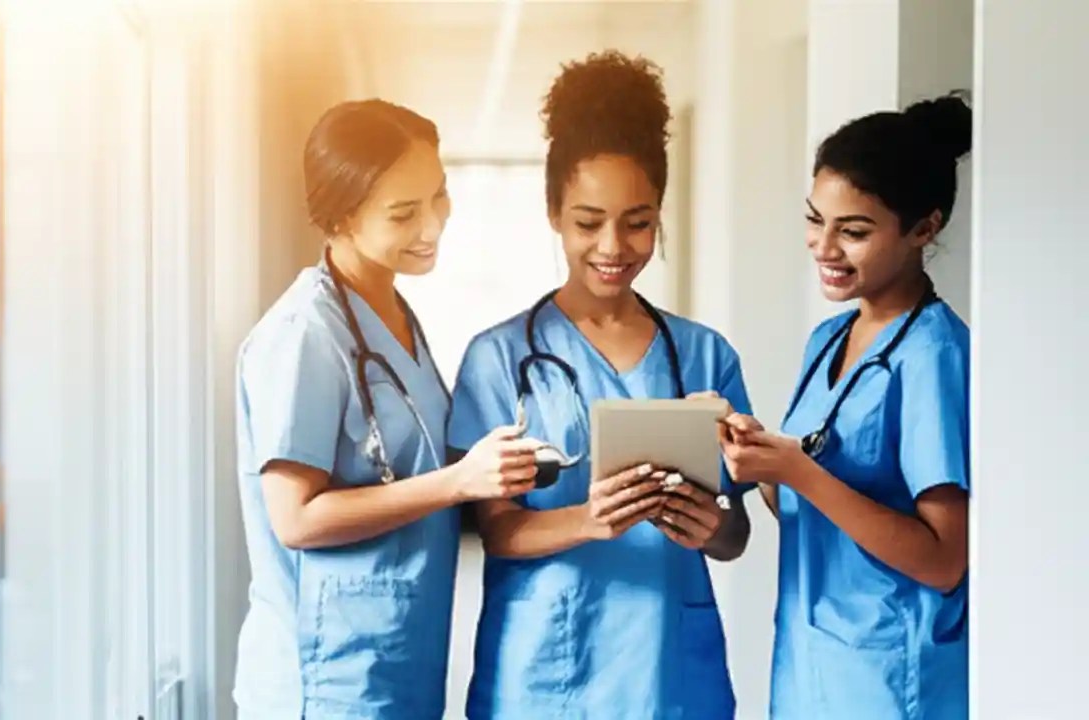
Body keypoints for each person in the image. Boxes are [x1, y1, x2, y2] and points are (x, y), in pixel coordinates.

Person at [447, 51, 753, 719]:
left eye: (638, 222)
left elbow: (737, 533)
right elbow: (496, 530)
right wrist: (589, 519)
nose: (613, 246)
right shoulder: (498, 358)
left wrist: (712, 526)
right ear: (553, 210)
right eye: (588, 222)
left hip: (670, 674)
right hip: (545, 677)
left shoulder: (705, 356)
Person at [233, 99, 542, 719]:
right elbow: (294, 519)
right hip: (323, 681)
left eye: (440, 196)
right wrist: (458, 482)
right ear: (342, 217)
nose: (432, 226)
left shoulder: (391, 314)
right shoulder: (305, 335)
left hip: (390, 667)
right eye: (404, 213)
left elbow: (410, 464)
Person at [720, 94, 972, 718]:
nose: (824, 247)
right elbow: (806, 504)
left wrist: (796, 469)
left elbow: (944, 560)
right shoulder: (828, 338)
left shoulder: (933, 355)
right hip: (810, 667)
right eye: (815, 220)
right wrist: (755, 451)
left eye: (853, 231)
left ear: (925, 228)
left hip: (889, 678)